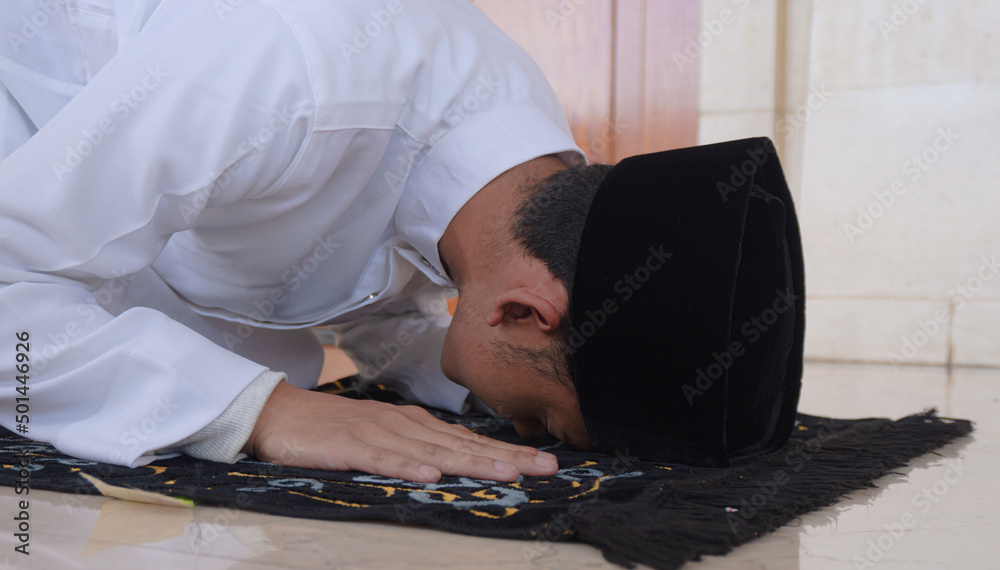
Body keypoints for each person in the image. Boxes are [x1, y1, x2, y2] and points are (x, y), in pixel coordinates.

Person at [2, 0, 805, 484]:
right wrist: (261, 411)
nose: (524, 435)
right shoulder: (294, 72)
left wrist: (440, 385)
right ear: (525, 312)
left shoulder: (519, 179)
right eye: (547, 422)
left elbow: (360, 265)